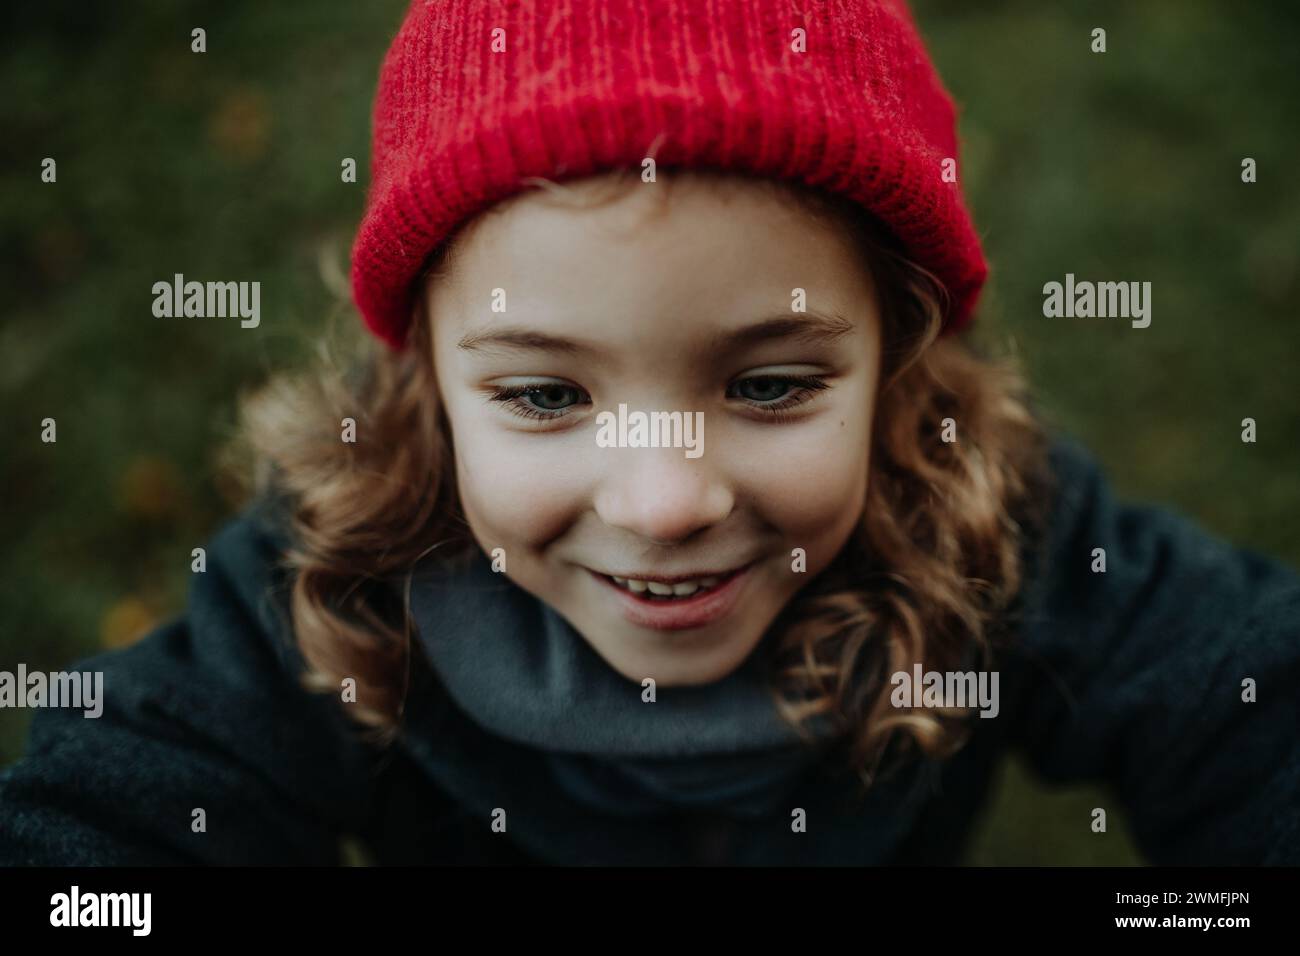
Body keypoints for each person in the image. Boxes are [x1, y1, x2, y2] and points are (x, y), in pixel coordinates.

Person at [2, 0, 1296, 866]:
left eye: (773, 386)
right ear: (429, 381)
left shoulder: (1002, 524)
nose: (665, 504)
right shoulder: (334, 579)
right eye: (548, 397)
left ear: (899, 359)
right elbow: (124, 802)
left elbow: (1248, 699)